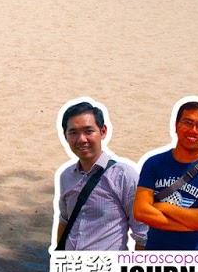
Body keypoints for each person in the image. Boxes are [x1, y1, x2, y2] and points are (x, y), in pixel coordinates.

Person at [132, 100, 198, 252]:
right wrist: (191, 223)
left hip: (194, 261)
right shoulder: (153, 164)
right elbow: (140, 211)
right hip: (155, 256)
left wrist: (162, 207)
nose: (193, 130)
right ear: (176, 125)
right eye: (187, 122)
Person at [53, 100, 147, 251]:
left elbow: (143, 234)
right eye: (73, 133)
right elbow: (64, 221)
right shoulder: (66, 176)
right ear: (65, 136)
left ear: (103, 132)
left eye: (88, 131)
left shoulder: (124, 176)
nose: (81, 139)